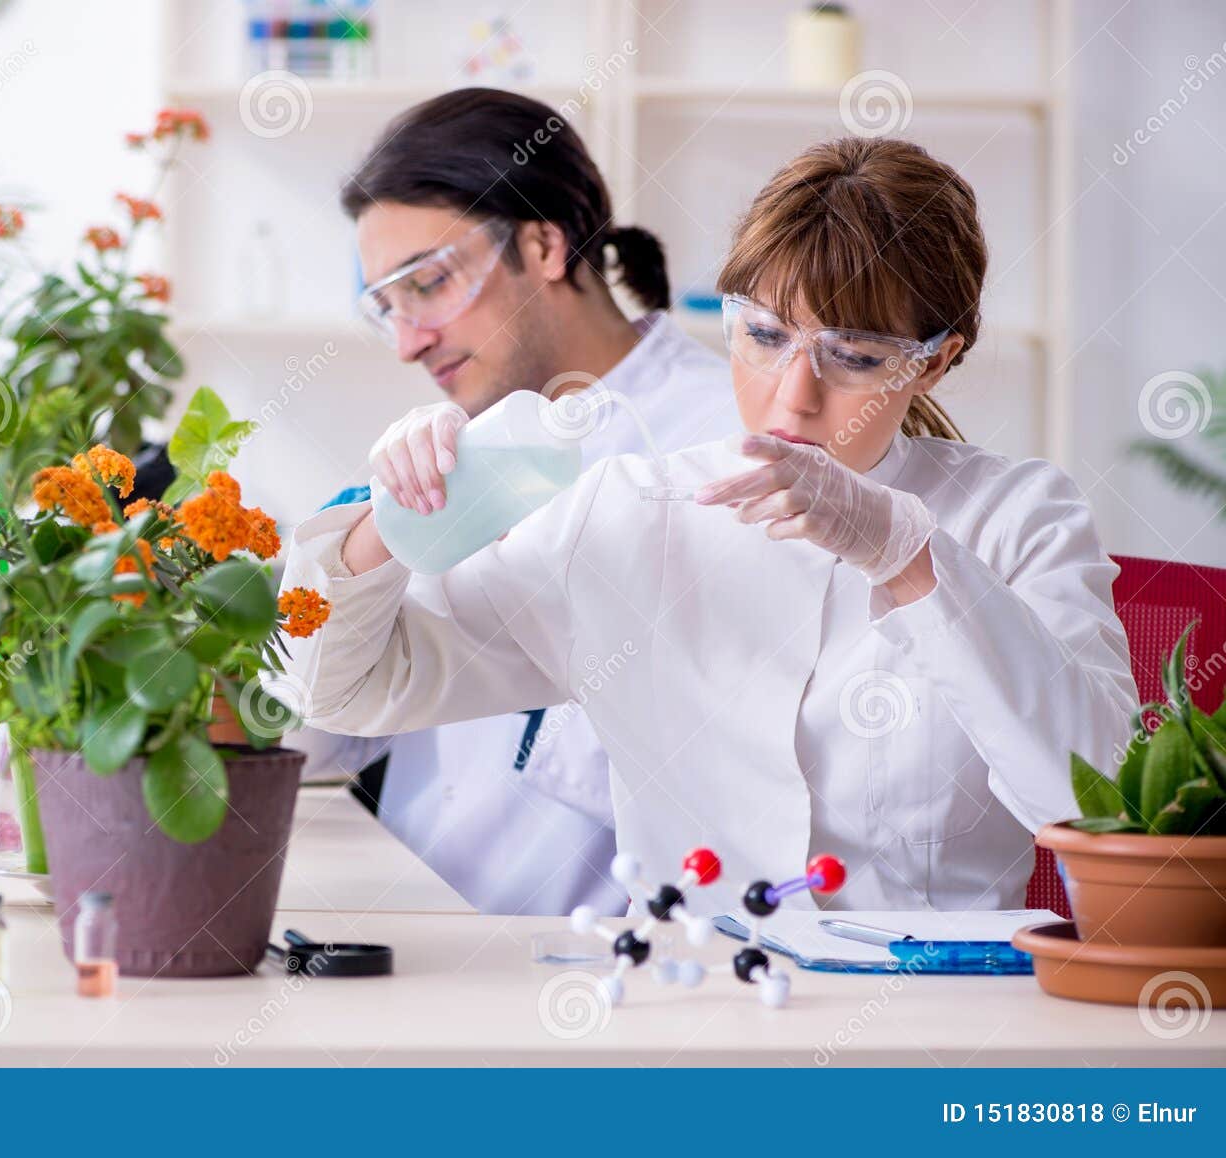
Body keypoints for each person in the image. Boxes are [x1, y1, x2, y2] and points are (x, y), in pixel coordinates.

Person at [280, 136, 1139, 912]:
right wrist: (387, 524)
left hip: (928, 1018)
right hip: (694, 1005)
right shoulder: (627, 515)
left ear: (936, 360)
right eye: (762, 336)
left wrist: (910, 560)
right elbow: (341, 693)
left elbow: (1102, 807)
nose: (794, 396)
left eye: (854, 357)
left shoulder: (1020, 517)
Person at [283, 88, 738, 916]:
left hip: (573, 974)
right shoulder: (455, 446)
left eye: (428, 283)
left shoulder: (719, 442)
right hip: (405, 935)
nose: (406, 340)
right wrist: (366, 538)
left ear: (543, 244)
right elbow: (314, 734)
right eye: (386, 304)